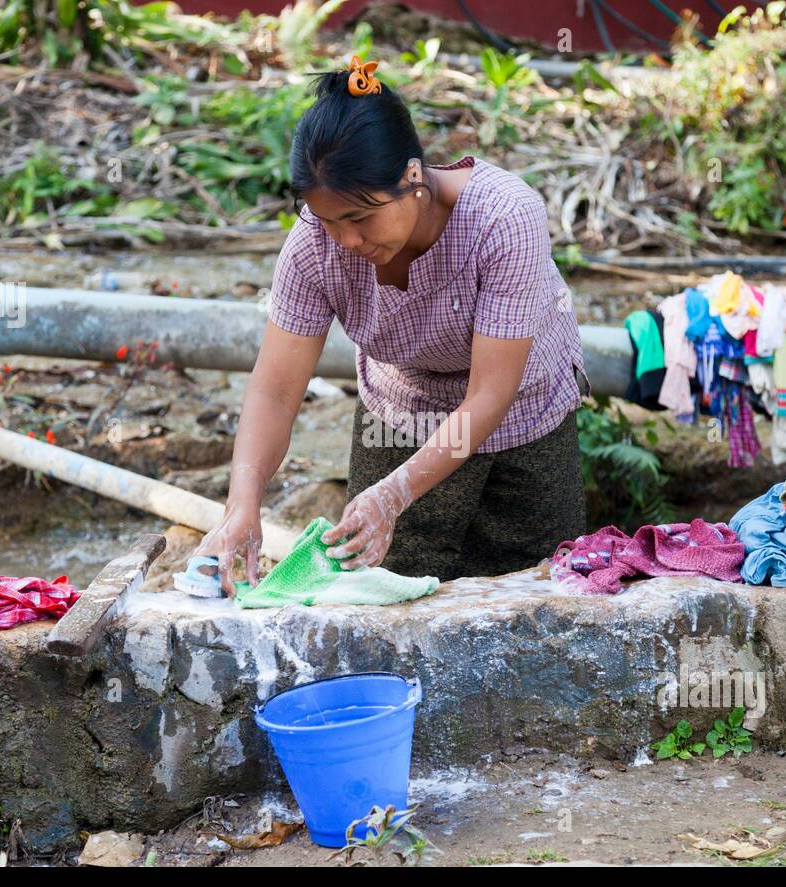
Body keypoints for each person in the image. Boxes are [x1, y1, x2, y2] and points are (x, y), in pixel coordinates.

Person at [196, 55, 588, 594]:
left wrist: (395, 493)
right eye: (330, 221)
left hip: (523, 414)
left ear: (412, 176)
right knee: (382, 596)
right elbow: (275, 391)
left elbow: (490, 394)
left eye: (360, 217)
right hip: (400, 415)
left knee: (533, 592)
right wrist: (242, 505)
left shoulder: (504, 219)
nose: (347, 241)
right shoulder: (315, 246)